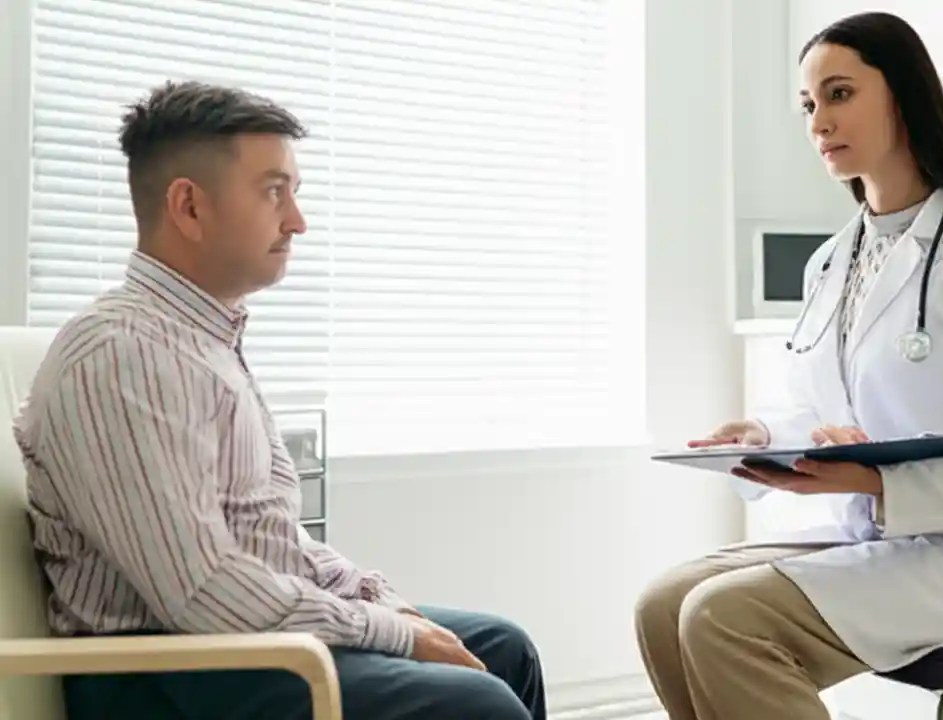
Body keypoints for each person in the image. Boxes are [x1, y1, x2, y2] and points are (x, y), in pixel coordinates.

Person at [12, 80, 546, 720]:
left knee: (504, 648)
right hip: (166, 670)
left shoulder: (199, 339)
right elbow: (203, 590)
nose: (297, 219)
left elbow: (271, 543)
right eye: (273, 192)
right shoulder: (124, 354)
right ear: (188, 206)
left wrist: (378, 597)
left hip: (238, 646)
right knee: (475, 703)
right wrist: (393, 630)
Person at [635, 12, 943, 720]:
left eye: (839, 95)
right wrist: (760, 437)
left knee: (723, 618)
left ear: (901, 95)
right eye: (809, 105)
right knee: (663, 606)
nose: (818, 123)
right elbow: (824, 407)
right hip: (877, 536)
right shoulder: (832, 261)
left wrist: (874, 479)